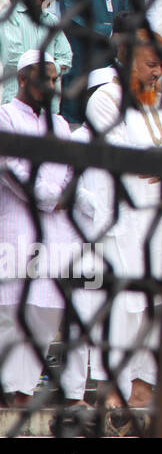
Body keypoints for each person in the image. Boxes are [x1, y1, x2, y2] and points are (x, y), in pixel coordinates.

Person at [84, 23, 162, 408]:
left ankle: (143, 389)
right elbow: (122, 153)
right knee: (121, 306)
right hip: (122, 218)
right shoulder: (105, 99)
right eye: (150, 64)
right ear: (126, 61)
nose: (157, 72)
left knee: (157, 306)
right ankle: (111, 390)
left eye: (160, 65)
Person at [0, 51, 74, 407]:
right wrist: (50, 195)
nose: (51, 85)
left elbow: (73, 169)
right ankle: (7, 388)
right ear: (23, 80)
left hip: (56, 231)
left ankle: (23, 389)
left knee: (45, 310)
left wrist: (61, 193)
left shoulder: (60, 125)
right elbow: (12, 168)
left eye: (55, 78)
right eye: (43, 77)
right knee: (11, 310)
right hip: (15, 226)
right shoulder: (6, 116)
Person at [59, 0, 126, 122]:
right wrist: (109, 31)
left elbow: (127, 18)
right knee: (75, 108)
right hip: (81, 53)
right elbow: (72, 17)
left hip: (110, 58)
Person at [1, 0, 72, 105]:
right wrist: (51, 69)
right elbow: (13, 57)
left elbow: (66, 59)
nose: (46, 5)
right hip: (17, 100)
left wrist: (45, 71)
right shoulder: (10, 16)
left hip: (49, 105)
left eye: (50, 1)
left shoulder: (52, 21)